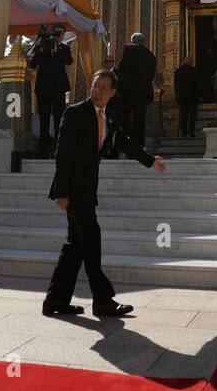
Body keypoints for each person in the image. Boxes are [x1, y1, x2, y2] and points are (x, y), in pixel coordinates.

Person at [44, 69, 165, 318]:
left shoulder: (109, 116)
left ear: (113, 92)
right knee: (91, 241)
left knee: (75, 246)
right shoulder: (75, 113)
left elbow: (124, 142)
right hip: (74, 192)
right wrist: (62, 192)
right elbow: (63, 155)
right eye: (94, 86)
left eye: (102, 88)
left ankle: (55, 300)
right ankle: (103, 300)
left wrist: (150, 160)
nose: (97, 92)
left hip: (88, 190)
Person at [27, 25, 72, 159]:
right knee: (44, 119)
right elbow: (33, 64)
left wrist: (56, 49)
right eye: (56, 33)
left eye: (61, 33)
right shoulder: (42, 46)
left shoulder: (64, 47)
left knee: (59, 119)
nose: (59, 35)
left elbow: (68, 61)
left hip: (59, 88)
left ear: (64, 35)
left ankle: (58, 149)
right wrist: (42, 47)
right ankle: (43, 151)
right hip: (43, 89)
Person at [114, 33, 157, 147]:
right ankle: (139, 144)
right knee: (140, 119)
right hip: (145, 91)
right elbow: (151, 75)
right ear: (143, 42)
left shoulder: (130, 49)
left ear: (133, 41)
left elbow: (123, 68)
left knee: (121, 114)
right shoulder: (151, 55)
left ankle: (131, 138)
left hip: (130, 90)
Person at [173, 55, 200, 138]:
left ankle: (184, 132)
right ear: (190, 62)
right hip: (192, 96)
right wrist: (198, 96)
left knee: (183, 114)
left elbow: (176, 85)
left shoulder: (178, 71)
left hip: (182, 96)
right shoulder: (194, 70)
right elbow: (197, 84)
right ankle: (191, 132)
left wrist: (177, 95)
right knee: (192, 114)